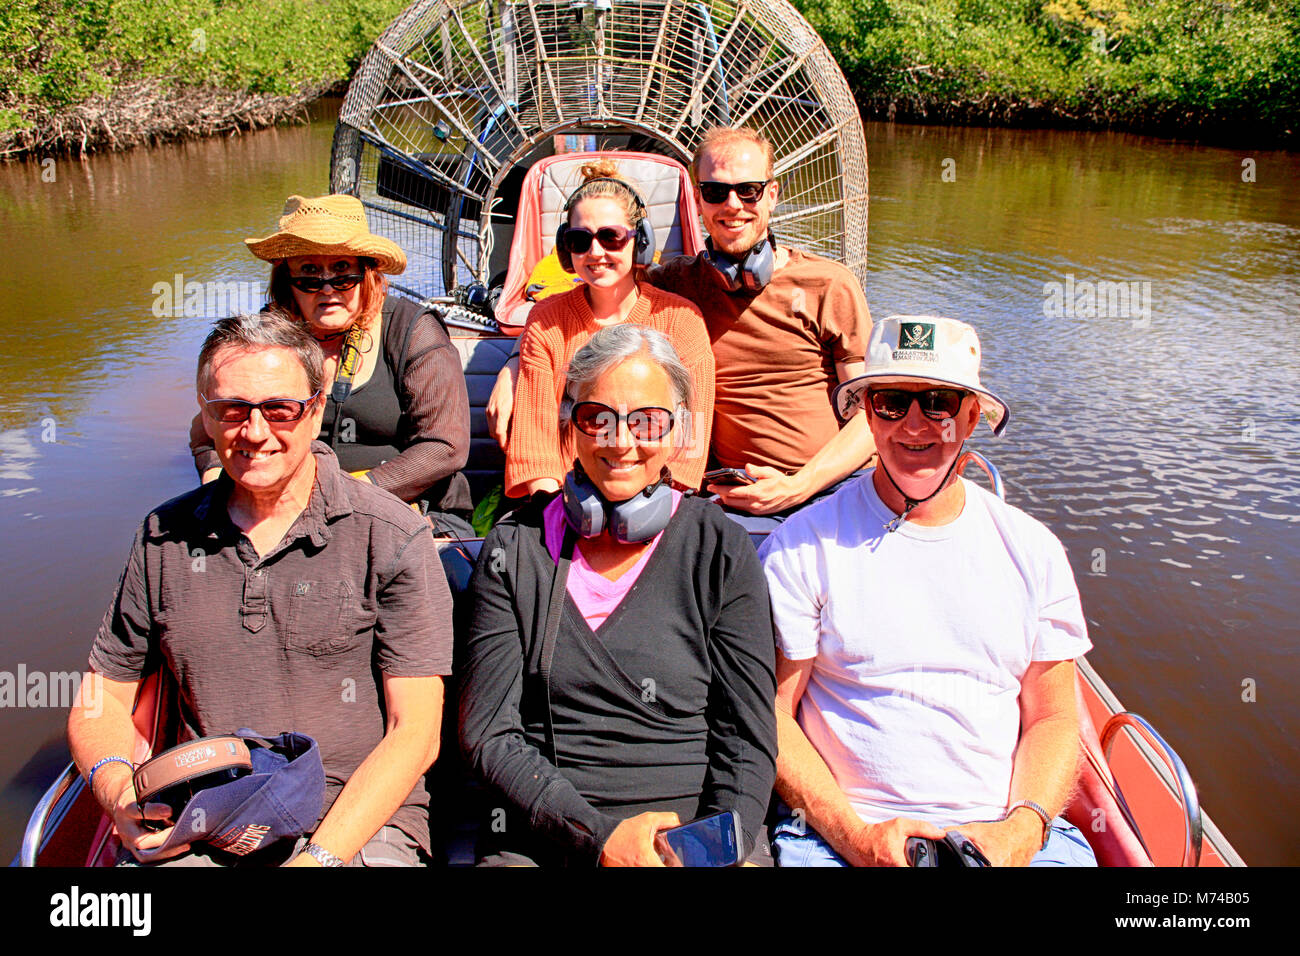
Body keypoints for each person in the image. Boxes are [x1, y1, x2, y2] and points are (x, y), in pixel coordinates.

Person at [69, 311, 452, 866]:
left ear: (316, 411)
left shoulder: (391, 535)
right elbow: (100, 697)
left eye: (279, 409)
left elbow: (414, 731)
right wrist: (116, 790)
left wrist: (318, 859)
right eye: (232, 410)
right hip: (205, 816)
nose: (254, 433)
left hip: (357, 823)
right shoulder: (162, 536)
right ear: (206, 414)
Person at [759, 315, 1097, 867]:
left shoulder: (1034, 551)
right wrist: (854, 837)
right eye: (893, 401)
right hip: (843, 834)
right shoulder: (800, 548)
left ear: (970, 417)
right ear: (869, 413)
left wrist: (1021, 831)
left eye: (938, 402)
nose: (915, 424)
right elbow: (773, 712)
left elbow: (1053, 718)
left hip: (1007, 831)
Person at [460, 325, 776, 866]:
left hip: (690, 847)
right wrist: (601, 839)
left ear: (678, 430)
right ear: (570, 425)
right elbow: (488, 733)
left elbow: (747, 739)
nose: (621, 441)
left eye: (647, 421)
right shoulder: (515, 549)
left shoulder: (718, 548)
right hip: (544, 841)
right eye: (596, 418)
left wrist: (710, 850)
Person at [487, 130, 873, 527]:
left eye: (749, 190)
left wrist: (800, 485)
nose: (733, 205)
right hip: (733, 494)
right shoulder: (679, 283)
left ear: (772, 195)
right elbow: (593, 304)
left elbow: (874, 415)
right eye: (715, 192)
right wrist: (515, 362)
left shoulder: (828, 285)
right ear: (697, 198)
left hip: (828, 486)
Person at [189, 194, 473, 536]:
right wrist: (219, 475)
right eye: (309, 273)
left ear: (367, 271)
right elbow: (212, 425)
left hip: (410, 509)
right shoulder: (266, 334)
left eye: (342, 272)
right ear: (287, 280)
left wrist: (345, 495)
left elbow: (445, 448)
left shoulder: (412, 331)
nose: (327, 289)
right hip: (289, 512)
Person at [500, 160, 714, 499]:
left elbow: (691, 443)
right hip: (568, 499)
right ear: (565, 248)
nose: (595, 252)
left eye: (611, 237)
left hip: (657, 501)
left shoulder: (682, 320)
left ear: (639, 241)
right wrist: (559, 516)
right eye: (580, 240)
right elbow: (535, 449)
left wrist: (655, 510)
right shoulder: (545, 321)